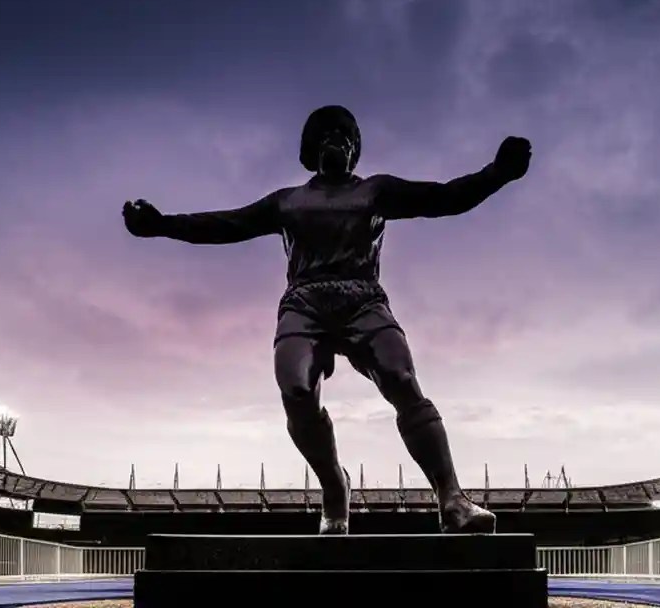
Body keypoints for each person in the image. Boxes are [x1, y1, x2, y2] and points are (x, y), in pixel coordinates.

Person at [122, 105, 532, 534]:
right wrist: (161, 225)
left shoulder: (376, 191)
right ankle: (335, 487)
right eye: (327, 133)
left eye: (347, 134)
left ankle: (453, 499)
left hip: (363, 298)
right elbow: (226, 224)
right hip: (305, 303)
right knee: (296, 389)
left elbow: (445, 198)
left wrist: (497, 173)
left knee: (402, 379)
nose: (338, 138)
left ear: (356, 150)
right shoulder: (286, 201)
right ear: (310, 149)